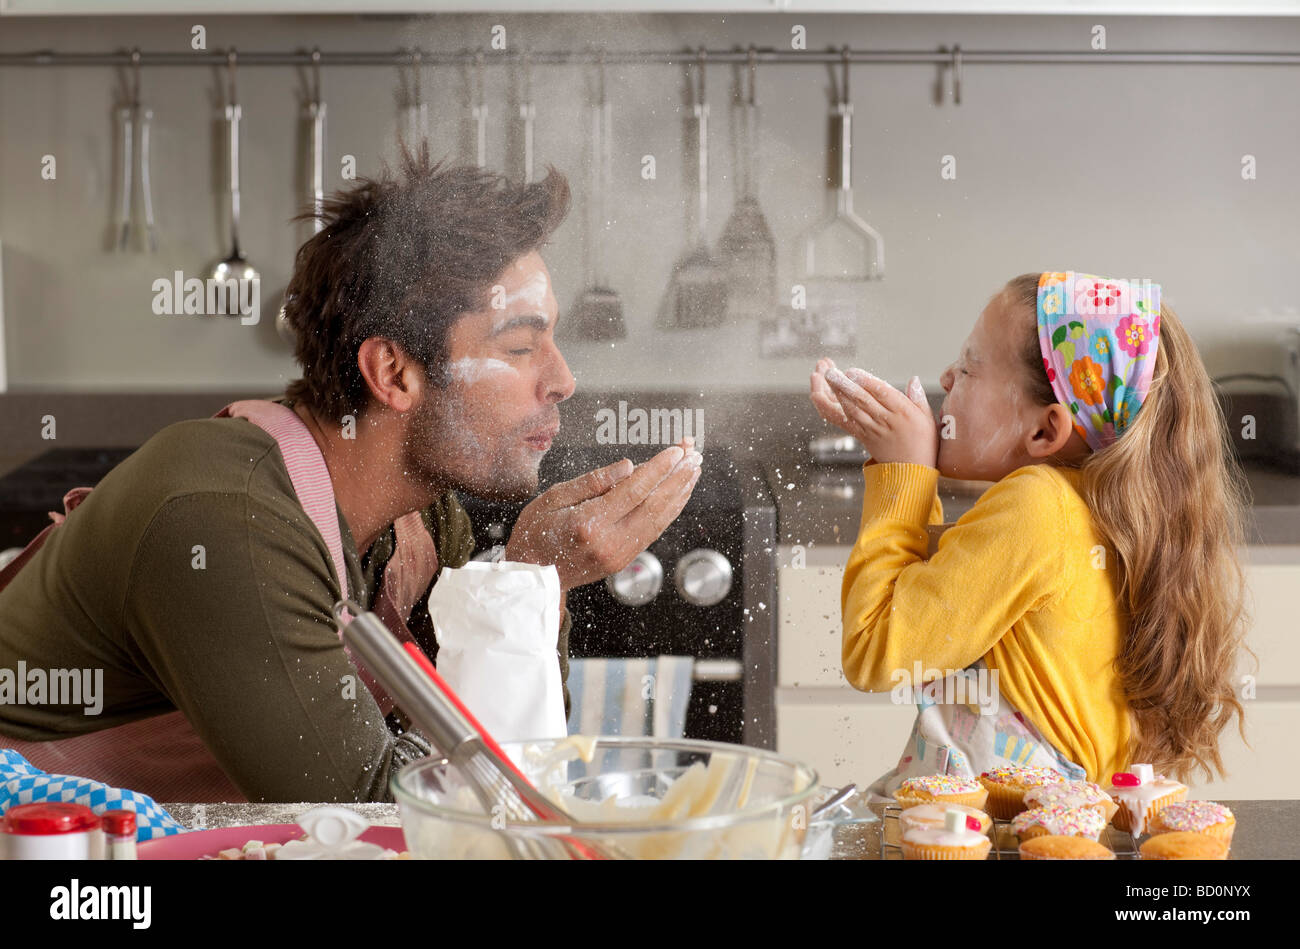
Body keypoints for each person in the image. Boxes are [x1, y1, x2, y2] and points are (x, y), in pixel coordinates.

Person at [0, 148, 701, 802]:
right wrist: (527, 579)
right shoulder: (223, 517)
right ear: (393, 373)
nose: (564, 379)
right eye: (520, 346)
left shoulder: (422, 517)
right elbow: (376, 816)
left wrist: (536, 585)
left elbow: (493, 773)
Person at [809, 271, 1251, 795]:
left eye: (969, 368)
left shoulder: (1036, 506)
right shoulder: (1094, 508)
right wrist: (909, 468)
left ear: (1045, 430)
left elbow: (875, 647)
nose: (946, 378)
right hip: (1056, 825)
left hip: (1002, 828)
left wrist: (902, 474)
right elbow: (933, 601)